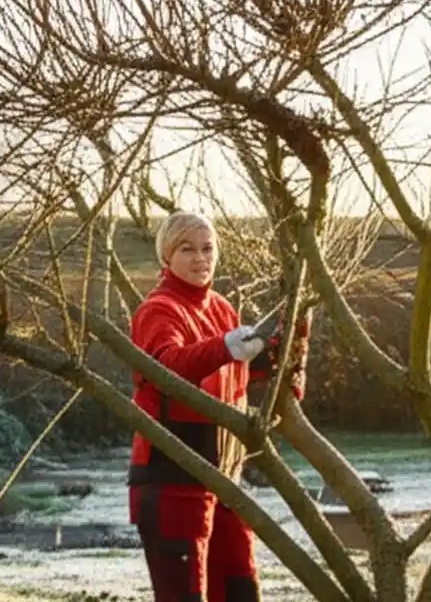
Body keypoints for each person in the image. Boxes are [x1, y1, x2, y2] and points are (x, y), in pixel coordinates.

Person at [128, 211, 308, 602]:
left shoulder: (222, 309)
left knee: (241, 591)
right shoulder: (158, 310)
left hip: (226, 480)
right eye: (187, 249)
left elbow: (234, 374)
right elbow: (167, 367)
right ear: (166, 257)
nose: (200, 258)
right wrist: (225, 346)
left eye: (208, 248)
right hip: (174, 479)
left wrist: (283, 354)